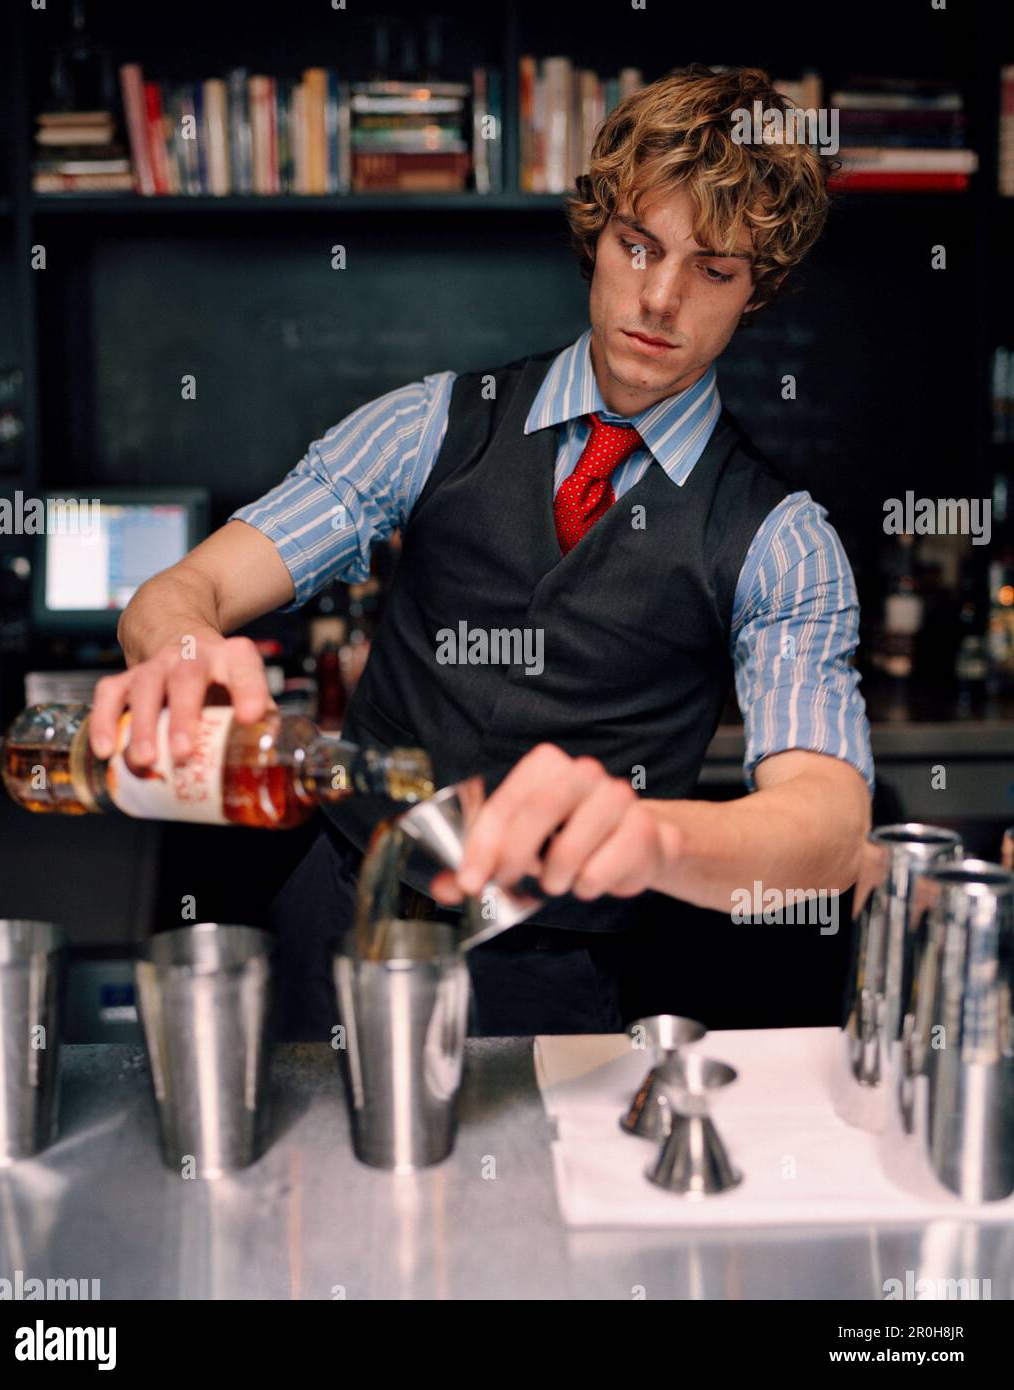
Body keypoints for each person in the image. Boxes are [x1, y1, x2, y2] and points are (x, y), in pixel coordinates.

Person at [94, 65, 873, 1038]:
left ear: (756, 289)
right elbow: (184, 588)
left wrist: (652, 833)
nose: (661, 298)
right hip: (338, 924)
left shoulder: (780, 540)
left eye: (712, 269)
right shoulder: (426, 426)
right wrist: (177, 645)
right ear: (595, 233)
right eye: (639, 245)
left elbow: (827, 831)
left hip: (551, 987)